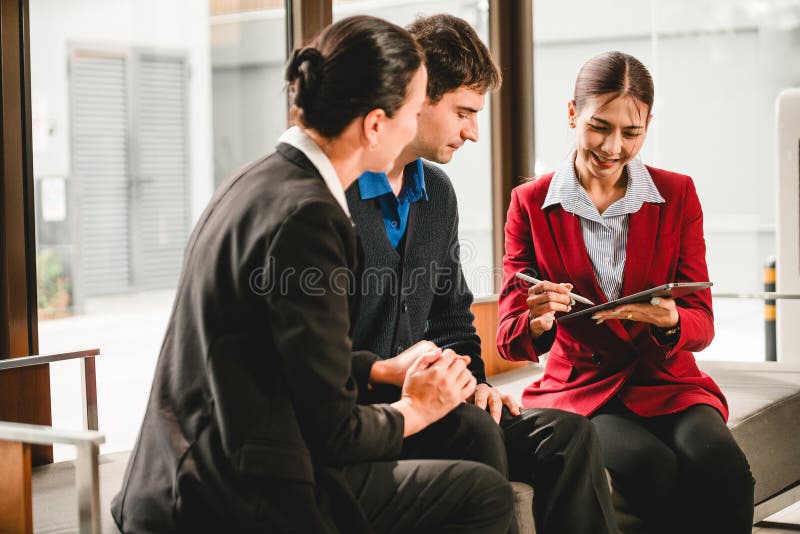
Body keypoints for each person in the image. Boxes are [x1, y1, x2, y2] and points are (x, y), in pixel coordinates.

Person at [111, 16, 514, 534]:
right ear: (375, 125)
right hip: (227, 494)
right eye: (413, 113)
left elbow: (278, 351)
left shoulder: (256, 180)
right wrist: (418, 406)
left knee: (469, 439)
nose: (415, 127)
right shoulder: (311, 216)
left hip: (186, 471)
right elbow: (336, 433)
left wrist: (380, 371)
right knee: (480, 495)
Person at [346, 14, 617, 534]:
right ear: (419, 97)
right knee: (474, 432)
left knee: (570, 436)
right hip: (377, 414)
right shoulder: (334, 197)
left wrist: (478, 384)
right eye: (464, 113)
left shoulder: (438, 194)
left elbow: (451, 322)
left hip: (441, 397)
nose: (474, 132)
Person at [497, 50, 754, 533]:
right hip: (582, 389)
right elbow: (508, 338)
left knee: (723, 467)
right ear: (572, 114)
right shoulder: (529, 204)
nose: (613, 147)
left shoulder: (677, 194)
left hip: (668, 380)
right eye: (600, 126)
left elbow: (702, 320)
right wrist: (537, 320)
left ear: (648, 126)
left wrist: (672, 321)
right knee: (648, 466)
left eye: (631, 133)